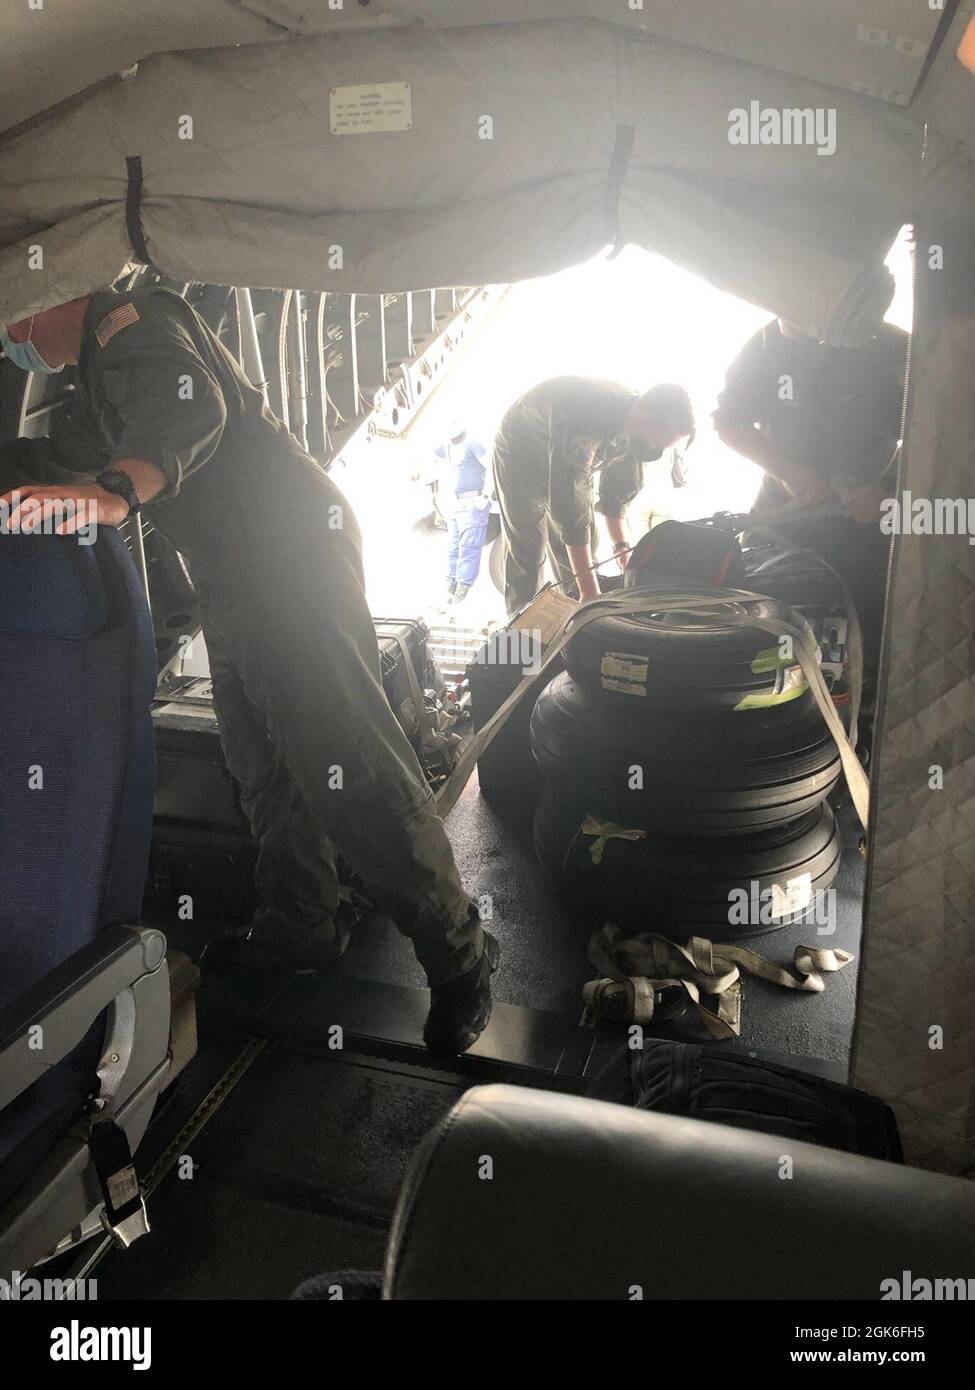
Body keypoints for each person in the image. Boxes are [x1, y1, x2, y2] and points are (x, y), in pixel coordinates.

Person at [0, 287, 498, 1055]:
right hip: (234, 574)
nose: (12, 347)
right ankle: (299, 928)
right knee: (262, 763)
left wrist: (115, 492)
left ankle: (458, 952)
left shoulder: (135, 323)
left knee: (347, 757)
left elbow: (190, 413)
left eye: (9, 329)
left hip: (285, 558)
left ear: (35, 307)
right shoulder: (100, 368)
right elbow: (61, 451)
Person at [713, 316, 908, 720]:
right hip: (782, 526)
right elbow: (729, 422)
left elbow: (940, 432)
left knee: (861, 656)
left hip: (866, 533)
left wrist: (888, 490)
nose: (786, 318)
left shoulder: (894, 347)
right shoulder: (763, 344)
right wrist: (786, 470)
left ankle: (856, 741)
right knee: (764, 647)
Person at [492, 377, 695, 615]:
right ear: (644, 416)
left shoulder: (639, 430)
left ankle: (573, 624)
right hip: (522, 456)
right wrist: (590, 593)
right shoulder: (587, 420)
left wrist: (622, 550)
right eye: (656, 442)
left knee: (586, 551)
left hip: (563, 456)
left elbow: (615, 497)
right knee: (528, 556)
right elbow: (570, 505)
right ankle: (523, 640)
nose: (655, 448)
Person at [428, 421, 491, 606]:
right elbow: (431, 452)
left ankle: (462, 590)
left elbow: (492, 467)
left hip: (473, 502)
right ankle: (451, 584)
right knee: (455, 545)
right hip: (457, 503)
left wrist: (485, 497)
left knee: (469, 545)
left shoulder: (473, 444)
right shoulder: (448, 446)